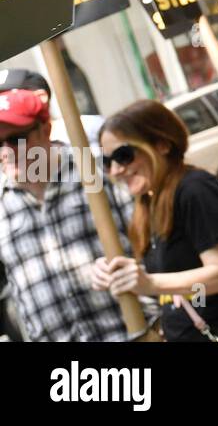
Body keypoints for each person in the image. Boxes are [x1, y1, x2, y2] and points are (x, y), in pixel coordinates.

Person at [90, 100, 218, 341]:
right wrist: (118, 273)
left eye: (124, 155)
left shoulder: (195, 189)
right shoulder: (150, 202)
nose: (115, 170)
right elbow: (178, 282)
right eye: (107, 162)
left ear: (162, 144)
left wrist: (149, 283)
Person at [0, 69, 140, 341]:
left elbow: (154, 245)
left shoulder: (98, 170)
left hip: (129, 338)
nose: (6, 152)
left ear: (45, 129)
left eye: (16, 139)